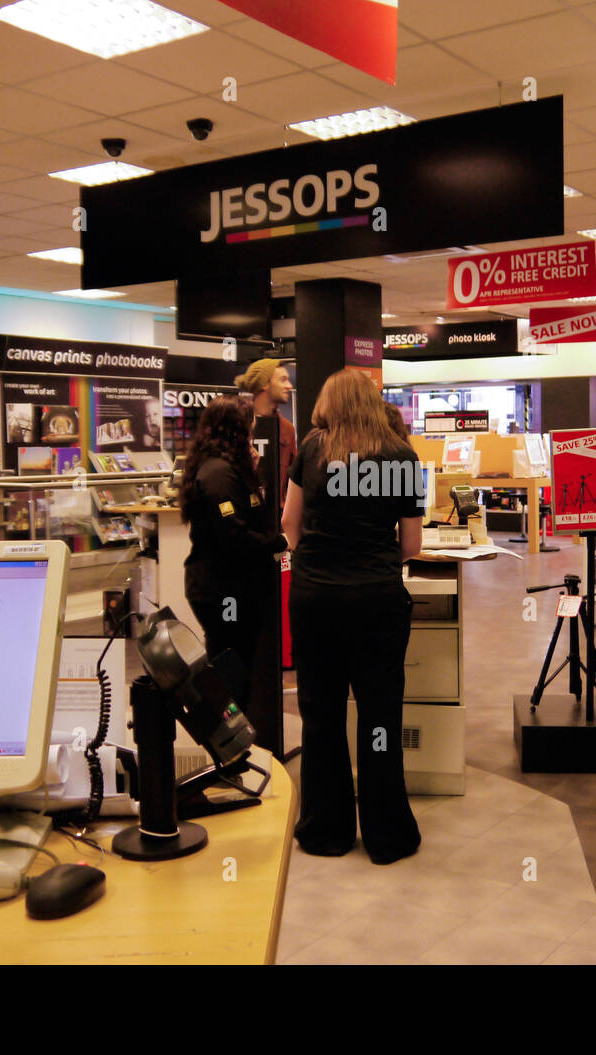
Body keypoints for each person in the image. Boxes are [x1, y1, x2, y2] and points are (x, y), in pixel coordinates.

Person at [282, 370, 423, 865]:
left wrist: (319, 563)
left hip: (316, 601)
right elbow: (411, 544)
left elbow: (288, 524)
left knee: (321, 716)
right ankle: (387, 835)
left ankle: (326, 830)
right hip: (378, 601)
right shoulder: (402, 456)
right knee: (380, 716)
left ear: (329, 403)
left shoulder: (312, 450)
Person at [180, 396, 287, 710]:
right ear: (236, 432)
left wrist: (251, 474)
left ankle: (234, 749)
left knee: (236, 674)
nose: (253, 439)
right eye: (250, 431)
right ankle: (228, 750)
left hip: (232, 588)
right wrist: (279, 543)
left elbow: (250, 518)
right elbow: (235, 537)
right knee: (230, 679)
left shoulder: (229, 469)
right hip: (223, 591)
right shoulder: (218, 474)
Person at [236, 358, 296, 510]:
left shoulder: (287, 429)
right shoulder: (236, 424)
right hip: (242, 516)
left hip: (276, 518)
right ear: (264, 384)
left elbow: (292, 481)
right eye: (283, 380)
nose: (289, 386)